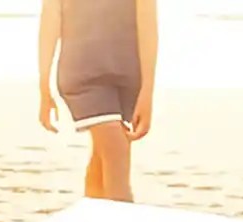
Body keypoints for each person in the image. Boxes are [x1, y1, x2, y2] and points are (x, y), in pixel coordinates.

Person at [38, 0, 158, 202]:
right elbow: (51, 18)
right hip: (82, 73)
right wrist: (44, 84)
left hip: (125, 76)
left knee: (102, 161)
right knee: (116, 151)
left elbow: (147, 24)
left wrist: (147, 91)